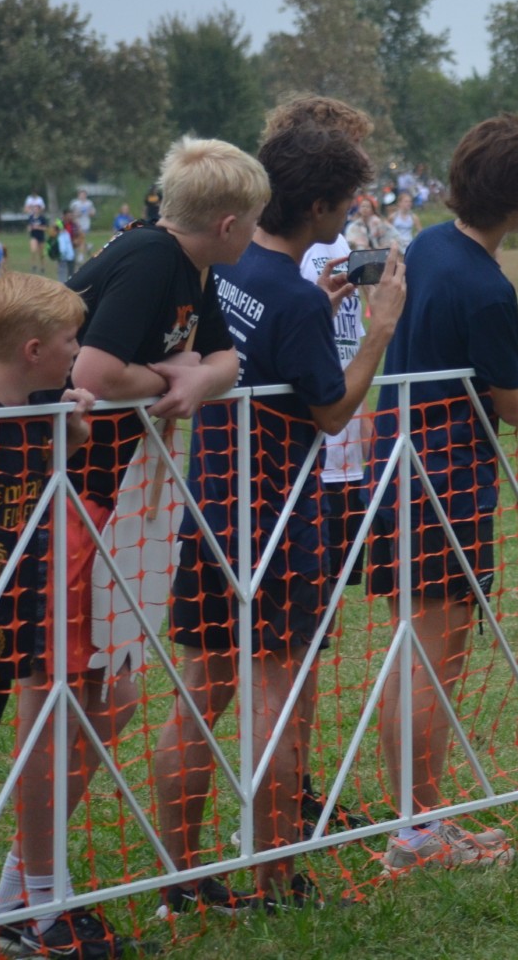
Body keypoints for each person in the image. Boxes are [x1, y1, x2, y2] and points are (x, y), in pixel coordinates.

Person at [153, 125, 407, 911]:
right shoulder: (295, 293)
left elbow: (264, 344)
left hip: (212, 503)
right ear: (322, 204)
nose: (352, 214)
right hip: (276, 517)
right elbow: (332, 411)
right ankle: (275, 877)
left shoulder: (231, 268)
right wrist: (381, 327)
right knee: (276, 699)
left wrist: (312, 310)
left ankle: (184, 876)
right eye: (347, 202)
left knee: (202, 689)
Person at [65, 137, 267, 915]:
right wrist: (167, 380)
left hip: (110, 497)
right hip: (65, 493)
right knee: (88, 694)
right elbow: (91, 372)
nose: (252, 233)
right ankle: (30, 889)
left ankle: (34, 884)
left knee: (105, 694)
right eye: (250, 221)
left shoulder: (195, 268)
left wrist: (202, 374)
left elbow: (225, 361)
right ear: (226, 223)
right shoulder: (152, 260)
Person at [368, 114, 518, 874]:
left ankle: (417, 819)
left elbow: (461, 368)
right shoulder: (487, 283)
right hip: (445, 487)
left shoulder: (428, 246)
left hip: (396, 472)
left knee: (408, 654)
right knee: (435, 659)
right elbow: (509, 404)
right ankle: (418, 832)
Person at [0, 275, 108, 957]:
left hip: (12, 614)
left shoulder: (45, 406)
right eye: (70, 342)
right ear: (32, 348)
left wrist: (76, 430)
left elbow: (43, 473)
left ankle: (6, 908)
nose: (78, 352)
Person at [266, 95, 384, 830]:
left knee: (313, 639)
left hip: (341, 457)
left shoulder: (341, 241)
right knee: (290, 646)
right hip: (303, 457)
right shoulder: (277, 245)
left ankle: (298, 784)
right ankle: (286, 793)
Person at [24, 196, 48, 276]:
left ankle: (43, 267)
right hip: (33, 236)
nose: (35, 210)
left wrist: (37, 227)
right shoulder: (31, 217)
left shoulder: (42, 218)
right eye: (34, 208)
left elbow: (45, 228)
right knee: (33, 250)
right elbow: (28, 226)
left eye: (37, 208)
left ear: (39, 209)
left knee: (41, 254)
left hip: (41, 236)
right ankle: (33, 266)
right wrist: (29, 229)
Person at [68, 191, 94, 259]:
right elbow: (70, 214)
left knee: (82, 238)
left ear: (86, 195)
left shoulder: (89, 203)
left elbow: (92, 213)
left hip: (86, 224)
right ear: (78, 195)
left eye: (84, 195)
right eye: (81, 195)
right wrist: (77, 214)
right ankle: (87, 246)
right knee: (79, 239)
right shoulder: (74, 203)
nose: (82, 196)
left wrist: (89, 213)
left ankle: (81, 255)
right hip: (77, 223)